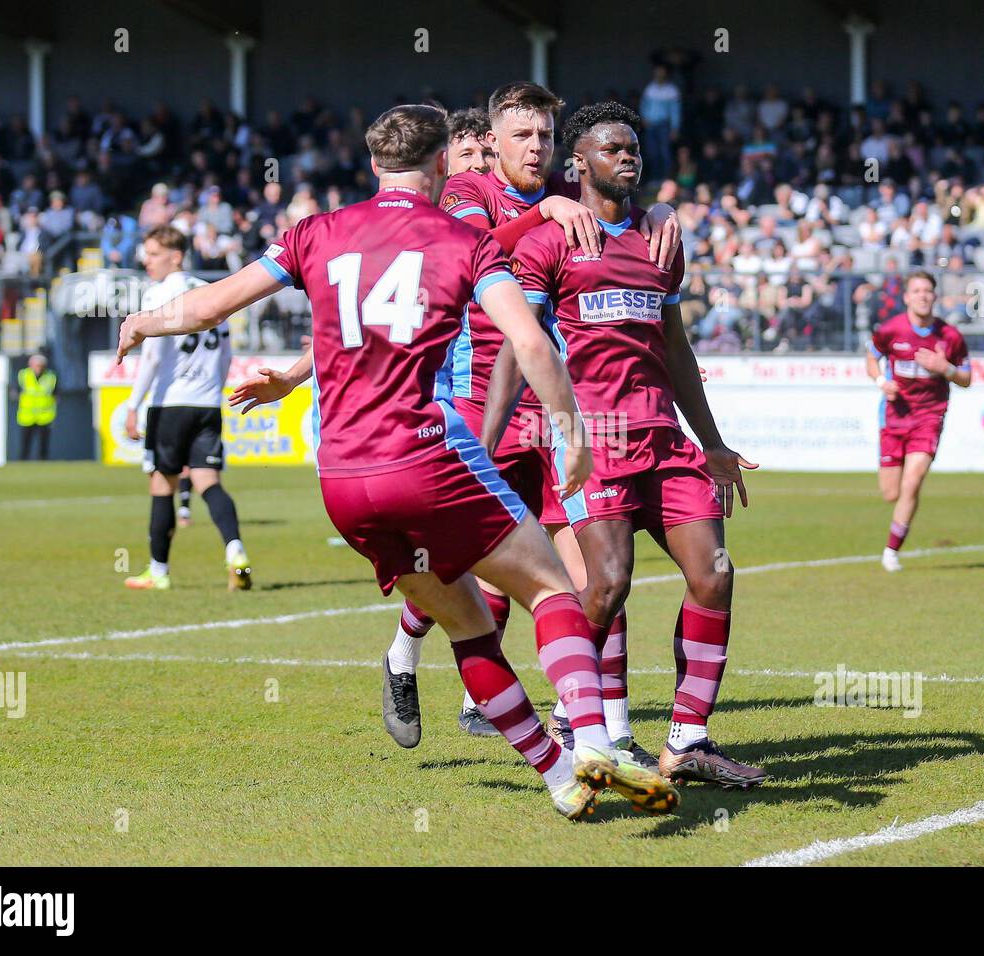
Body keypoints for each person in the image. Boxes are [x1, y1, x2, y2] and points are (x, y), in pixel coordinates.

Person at [118, 103, 677, 821]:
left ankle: (559, 776)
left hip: (344, 480)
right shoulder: (462, 241)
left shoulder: (315, 233)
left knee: (470, 624)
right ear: (445, 163)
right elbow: (532, 345)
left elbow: (206, 307)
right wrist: (572, 432)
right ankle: (594, 738)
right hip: (426, 457)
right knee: (555, 591)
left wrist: (144, 320)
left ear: (374, 165)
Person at [381, 81, 679, 751]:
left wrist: (656, 212)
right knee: (458, 567)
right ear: (492, 143)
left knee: (598, 572)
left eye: (546, 135)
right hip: (475, 406)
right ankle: (403, 654)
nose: (537, 147)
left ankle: (612, 728)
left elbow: (618, 215)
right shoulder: (470, 193)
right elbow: (467, 256)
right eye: (522, 135)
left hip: (551, 411)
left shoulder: (571, 202)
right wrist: (542, 210)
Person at [490, 102, 766, 788]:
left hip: (665, 438)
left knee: (715, 573)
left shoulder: (659, 241)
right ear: (579, 162)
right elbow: (513, 345)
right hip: (594, 437)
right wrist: (486, 444)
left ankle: (687, 740)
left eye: (634, 148)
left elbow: (677, 351)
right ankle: (569, 717)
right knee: (608, 583)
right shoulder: (550, 242)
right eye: (613, 148)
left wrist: (715, 443)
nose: (629, 158)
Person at [120, 225, 251, 592]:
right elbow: (226, 352)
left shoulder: (160, 295)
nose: (146, 261)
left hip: (170, 403)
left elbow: (151, 354)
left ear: (175, 256)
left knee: (162, 484)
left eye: (154, 254)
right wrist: (213, 390)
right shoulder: (209, 293)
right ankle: (236, 553)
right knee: (209, 482)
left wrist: (134, 404)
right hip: (206, 404)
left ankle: (158, 572)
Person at [865, 271, 972, 572]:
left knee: (912, 482)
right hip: (895, 414)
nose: (923, 295)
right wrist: (880, 381)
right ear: (907, 297)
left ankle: (891, 551)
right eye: (917, 290)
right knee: (892, 493)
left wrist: (946, 368)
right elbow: (871, 357)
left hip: (929, 416)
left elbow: (967, 379)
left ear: (935, 297)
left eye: (928, 290)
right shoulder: (890, 330)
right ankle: (897, 530)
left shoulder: (950, 336)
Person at [15, 353, 56, 460]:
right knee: (25, 443)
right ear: (30, 365)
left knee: (44, 443)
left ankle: (43, 462)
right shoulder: (24, 375)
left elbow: (56, 394)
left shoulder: (51, 377)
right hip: (27, 416)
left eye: (40, 365)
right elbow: (16, 391)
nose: (38, 368)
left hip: (45, 416)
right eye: (36, 365)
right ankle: (23, 461)